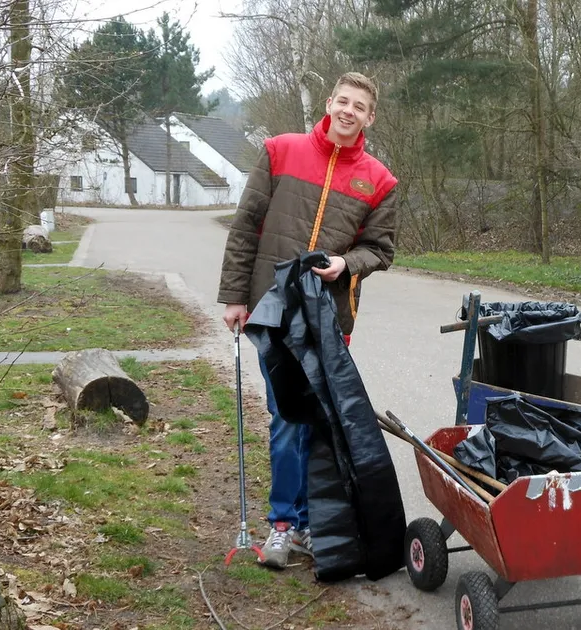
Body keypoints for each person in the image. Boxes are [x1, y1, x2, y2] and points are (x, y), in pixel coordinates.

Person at [217, 72, 398, 570]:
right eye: (343, 101)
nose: (349, 111)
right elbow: (246, 226)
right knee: (286, 417)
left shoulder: (379, 180)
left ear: (370, 117)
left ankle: (316, 525)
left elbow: (380, 249)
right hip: (272, 314)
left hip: (328, 321)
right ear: (328, 103)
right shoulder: (280, 150)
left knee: (322, 423)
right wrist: (235, 296)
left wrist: (347, 264)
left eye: (359, 106)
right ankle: (283, 525)